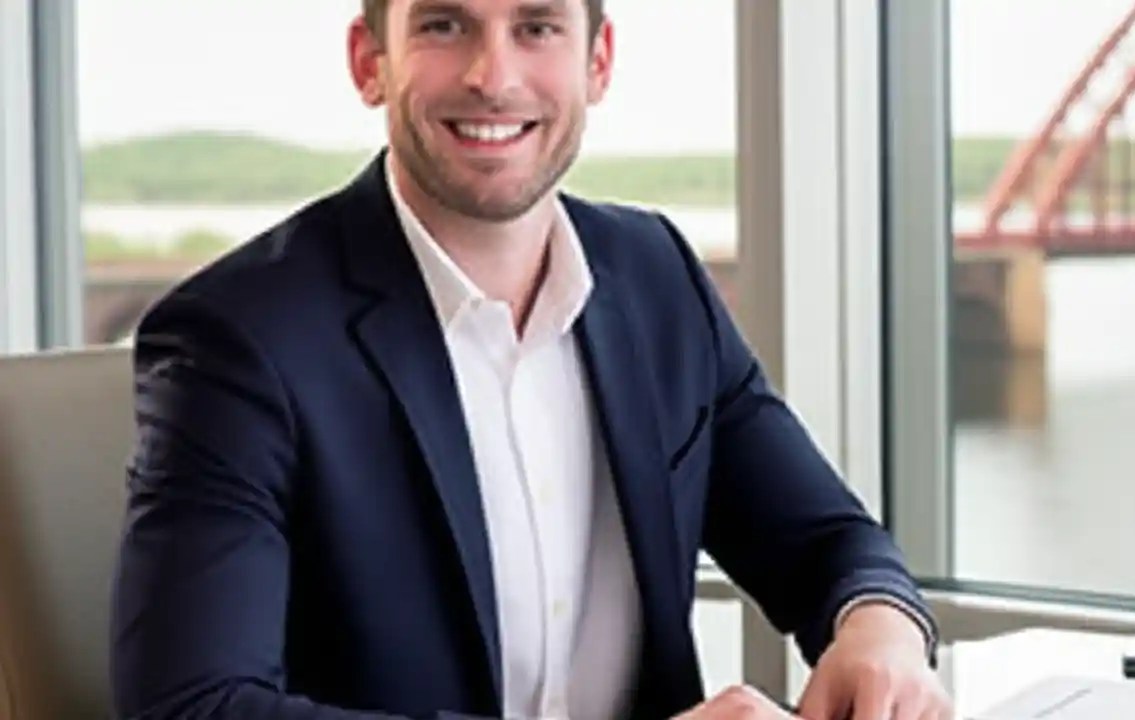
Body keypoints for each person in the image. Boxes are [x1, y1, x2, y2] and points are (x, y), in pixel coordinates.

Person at [109, 1, 953, 718]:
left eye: (538, 26)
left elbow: (825, 541)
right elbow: (194, 704)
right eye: (444, 24)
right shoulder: (239, 339)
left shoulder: (657, 274)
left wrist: (880, 624)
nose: (494, 76)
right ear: (371, 62)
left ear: (599, 60)